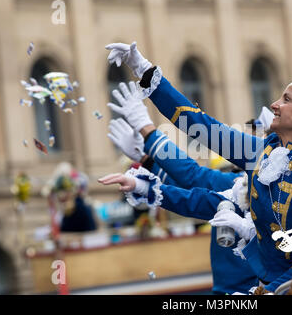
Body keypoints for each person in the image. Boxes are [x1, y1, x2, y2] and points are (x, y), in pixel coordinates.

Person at [99, 41, 292, 294]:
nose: (274, 104)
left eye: (286, 99)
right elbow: (202, 126)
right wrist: (144, 69)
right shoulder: (261, 152)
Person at [107, 113, 257, 295]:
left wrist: (147, 134)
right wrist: (146, 163)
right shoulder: (241, 185)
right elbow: (188, 189)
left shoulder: (244, 185)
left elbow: (192, 178)